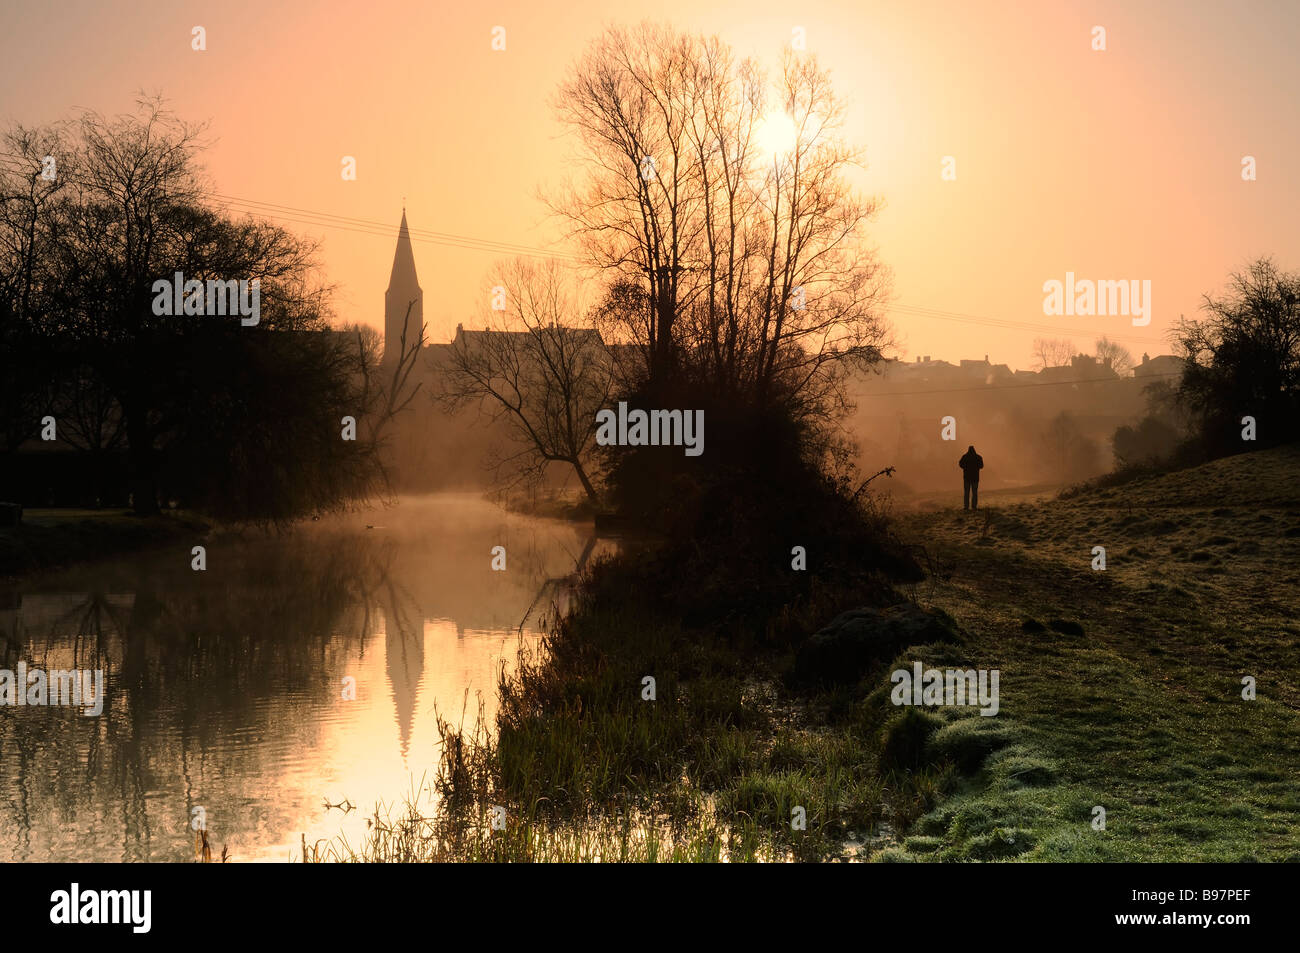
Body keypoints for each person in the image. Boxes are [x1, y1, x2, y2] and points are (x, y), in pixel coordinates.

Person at [958, 445, 983, 510]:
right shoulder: (978, 457)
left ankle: (966, 506)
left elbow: (960, 464)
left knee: (966, 493)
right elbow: (981, 466)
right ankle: (974, 506)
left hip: (967, 477)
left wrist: (965, 467)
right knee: (974, 493)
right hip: (975, 478)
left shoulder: (965, 457)